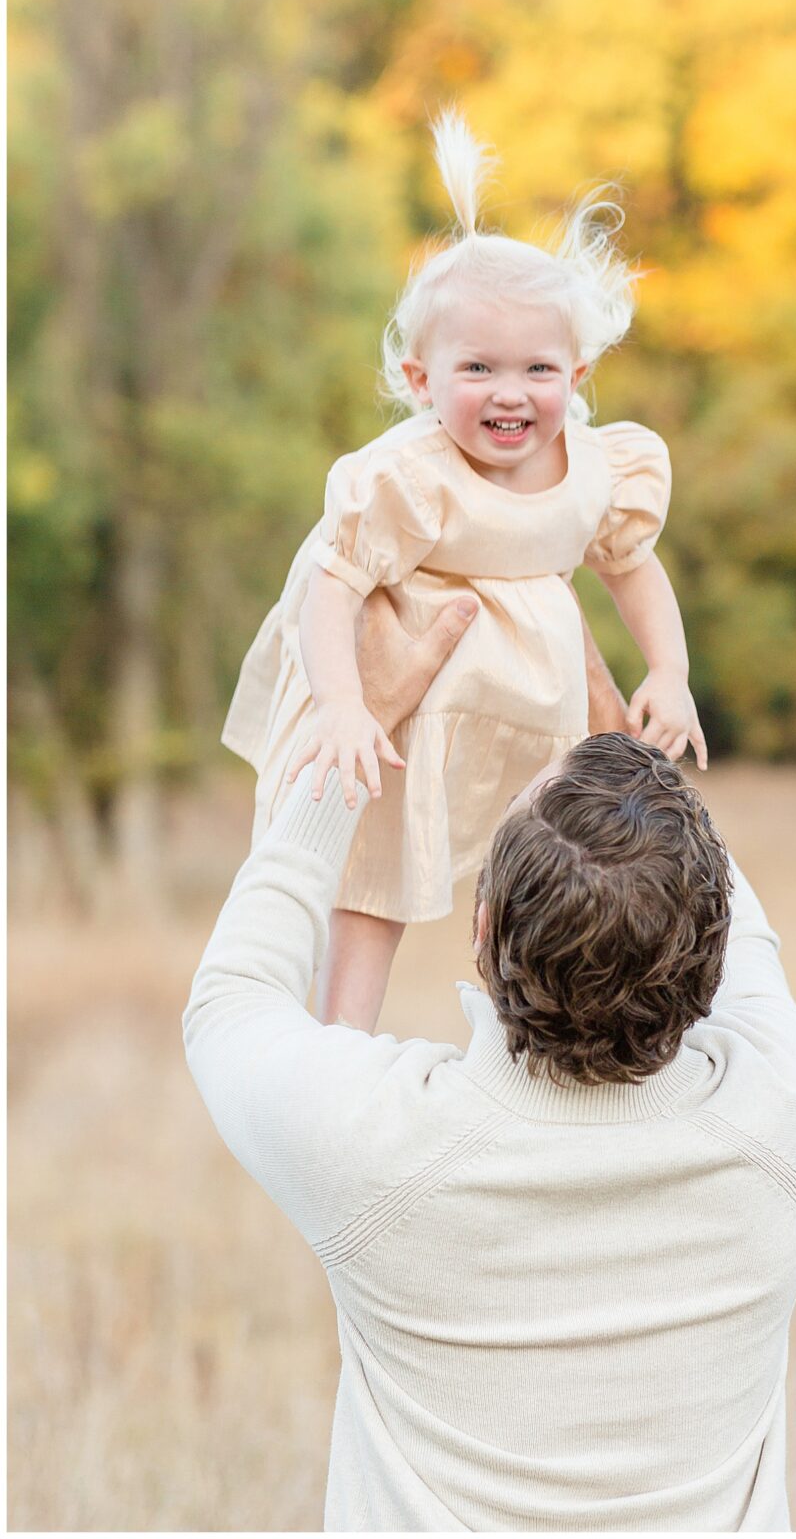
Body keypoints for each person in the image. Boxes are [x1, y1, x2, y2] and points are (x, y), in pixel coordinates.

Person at [186, 589, 796, 1534]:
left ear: (483, 927)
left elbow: (229, 1003)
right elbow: (730, 923)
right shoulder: (783, 1112)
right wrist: (627, 748)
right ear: (707, 947)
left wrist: (347, 738)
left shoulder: (384, 1150)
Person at [221, 108, 706, 1027]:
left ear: (580, 370)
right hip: (415, 710)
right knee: (374, 882)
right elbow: (333, 585)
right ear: (419, 379)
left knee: (539, 882)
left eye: (539, 369)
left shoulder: (603, 466)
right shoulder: (408, 477)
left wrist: (670, 673)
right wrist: (340, 703)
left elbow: (632, 566)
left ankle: (528, 1033)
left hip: (531, 713)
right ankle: (343, 1037)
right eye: (477, 366)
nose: (511, 392)